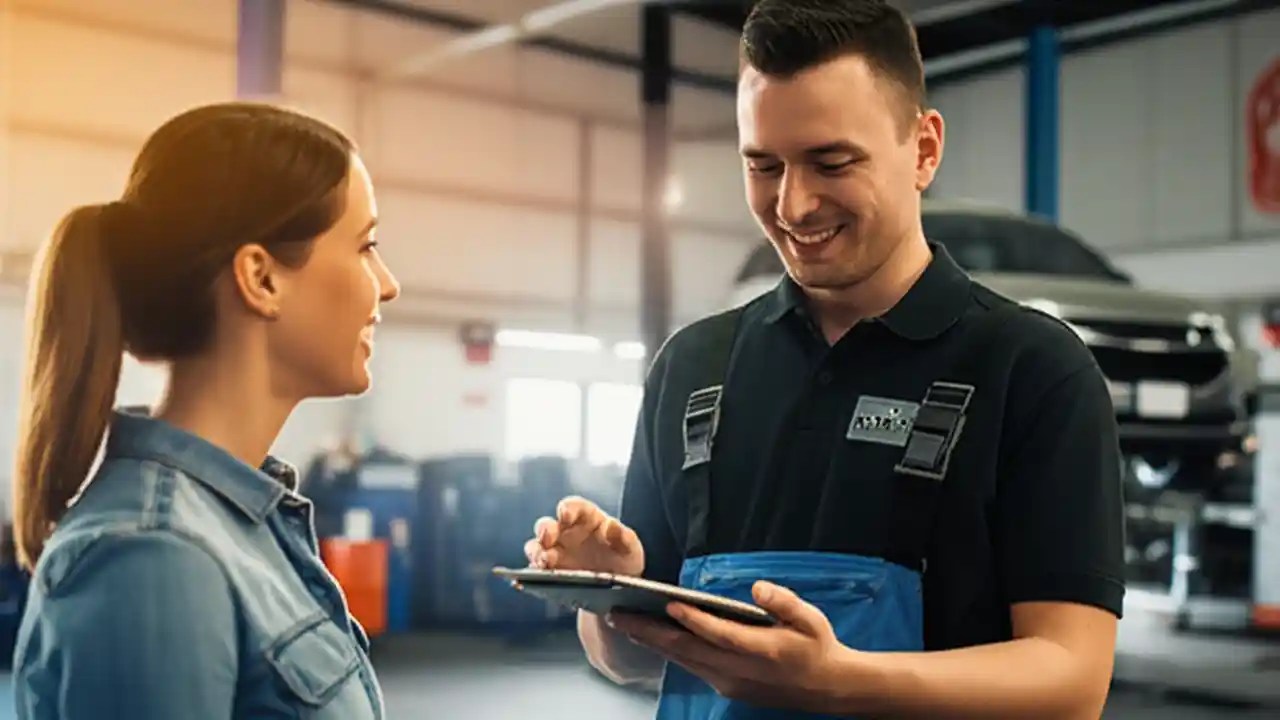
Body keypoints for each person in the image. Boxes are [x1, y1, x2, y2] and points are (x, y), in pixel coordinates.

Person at [524, 1, 1125, 717]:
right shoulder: (692, 370)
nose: (794, 204)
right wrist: (606, 598)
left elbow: (1073, 680)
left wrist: (842, 681)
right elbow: (630, 664)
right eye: (764, 165)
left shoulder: (1031, 370)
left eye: (831, 162)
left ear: (924, 149)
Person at [10, 102, 400, 719]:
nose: (386, 284)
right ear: (261, 279)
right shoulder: (156, 557)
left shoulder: (240, 526)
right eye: (365, 246)